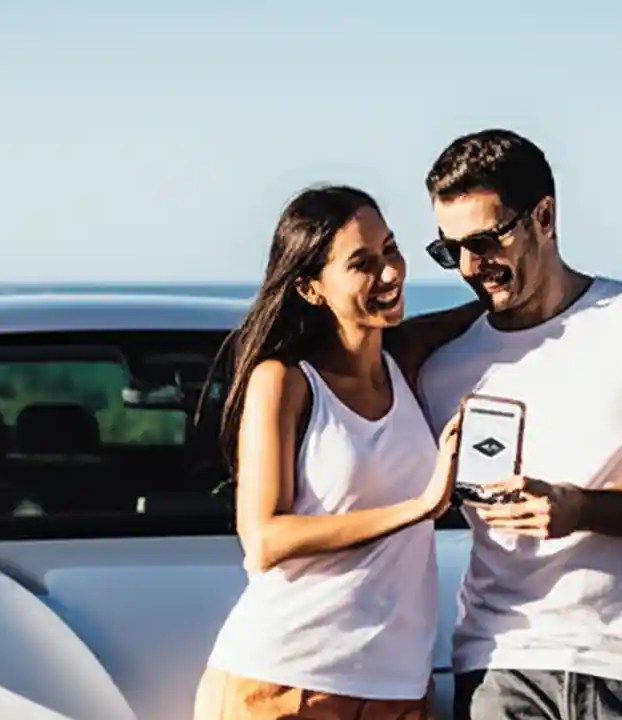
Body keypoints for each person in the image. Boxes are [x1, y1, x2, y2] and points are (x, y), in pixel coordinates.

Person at [403, 129, 622, 720]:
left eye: (484, 241)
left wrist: (578, 507)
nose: (467, 266)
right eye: (449, 249)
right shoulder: (440, 364)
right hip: (500, 667)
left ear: (545, 215)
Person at [193, 185, 464, 720]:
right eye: (363, 263)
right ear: (310, 288)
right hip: (285, 686)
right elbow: (264, 537)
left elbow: (499, 310)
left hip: (399, 691)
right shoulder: (286, 381)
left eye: (391, 249)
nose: (390, 273)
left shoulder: (404, 361)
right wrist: (418, 507)